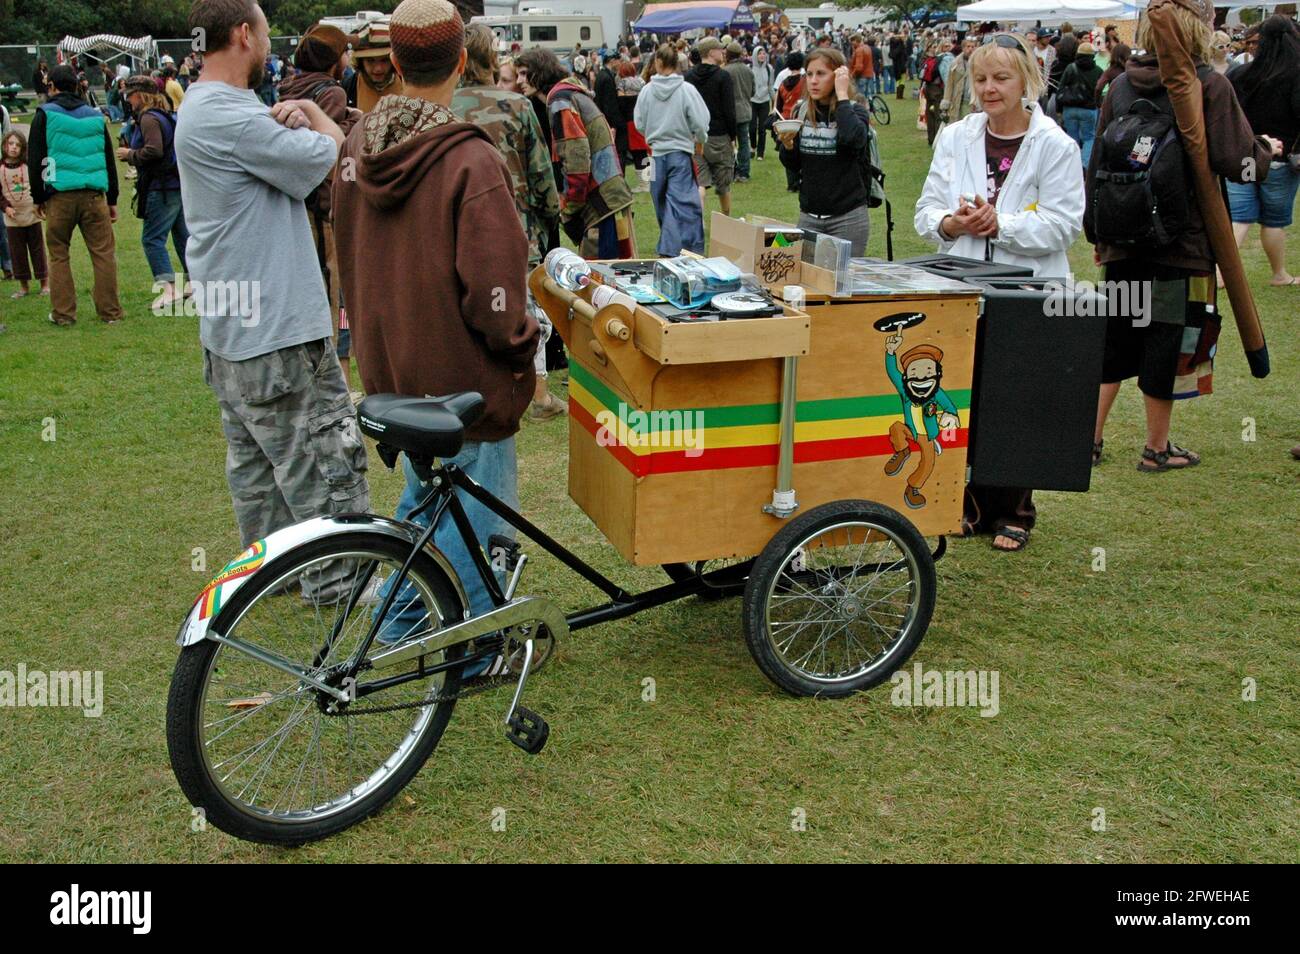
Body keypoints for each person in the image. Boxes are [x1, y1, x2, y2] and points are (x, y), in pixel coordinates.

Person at [332, 0, 539, 650]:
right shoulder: (469, 162)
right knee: (477, 518)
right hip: (463, 383)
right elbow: (497, 297)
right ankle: (477, 648)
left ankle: (395, 630)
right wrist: (523, 351)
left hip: (393, 369)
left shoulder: (354, 149)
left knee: (426, 502)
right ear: (463, 60)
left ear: (392, 62)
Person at [176, 0, 370, 556]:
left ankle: (269, 571)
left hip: (235, 328)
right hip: (276, 332)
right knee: (323, 460)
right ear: (243, 34)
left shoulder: (209, 104)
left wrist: (287, 119)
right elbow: (332, 155)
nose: (270, 46)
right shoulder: (230, 115)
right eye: (264, 34)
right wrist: (314, 117)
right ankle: (341, 582)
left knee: (258, 466)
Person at [1088, 2, 1276, 477]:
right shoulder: (1207, 84)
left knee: (1116, 338)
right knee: (1163, 341)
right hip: (1183, 243)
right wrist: (1266, 155)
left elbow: (1097, 165)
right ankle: (1156, 448)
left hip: (1124, 239)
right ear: (1199, 24)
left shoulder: (1120, 83)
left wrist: (1099, 232)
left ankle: (1087, 439)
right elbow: (1239, 161)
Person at [916, 32, 1084, 552]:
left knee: (1016, 395)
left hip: (1028, 290)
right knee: (964, 393)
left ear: (1027, 80)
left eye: (1001, 78)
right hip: (962, 283)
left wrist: (1000, 226)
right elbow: (927, 211)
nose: (990, 89)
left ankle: (1014, 509)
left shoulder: (1055, 145)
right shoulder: (956, 136)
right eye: (981, 78)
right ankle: (963, 501)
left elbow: (1063, 227)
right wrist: (951, 222)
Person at [451, 23, 562, 421]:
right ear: (491, 57)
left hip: (454, 230)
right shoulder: (516, 106)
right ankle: (541, 396)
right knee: (526, 312)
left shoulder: (441, 106)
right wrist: (552, 217)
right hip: (514, 228)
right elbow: (541, 176)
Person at [278, 24, 363, 378]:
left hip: (297, 208)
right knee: (339, 296)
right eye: (345, 51)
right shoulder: (332, 92)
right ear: (333, 60)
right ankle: (339, 377)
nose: (349, 58)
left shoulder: (288, 88)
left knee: (309, 290)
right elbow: (331, 151)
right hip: (328, 211)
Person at [27, 64, 123, 326]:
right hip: (94, 195)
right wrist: (112, 198)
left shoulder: (44, 114)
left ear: (52, 87)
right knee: (103, 253)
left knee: (59, 254)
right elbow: (107, 158)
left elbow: (38, 158)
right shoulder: (94, 116)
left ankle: (64, 314)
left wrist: (39, 195)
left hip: (60, 195)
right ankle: (110, 312)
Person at [518, 47, 635, 259]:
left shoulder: (560, 101)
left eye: (524, 73)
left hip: (600, 205)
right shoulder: (568, 93)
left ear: (540, 71)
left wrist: (569, 210)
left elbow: (577, 162)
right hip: (610, 200)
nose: (519, 80)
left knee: (600, 283)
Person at [1224, 14, 1300, 288]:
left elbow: (1228, 115)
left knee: (1239, 218)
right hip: (1280, 158)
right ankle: (1279, 273)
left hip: (1246, 154)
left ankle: (1222, 275)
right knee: (1274, 221)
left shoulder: (1240, 74)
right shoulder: (1296, 75)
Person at [775, 47, 873, 256]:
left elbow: (854, 139)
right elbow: (794, 165)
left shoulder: (855, 111)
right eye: (809, 74)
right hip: (809, 217)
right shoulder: (801, 112)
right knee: (806, 283)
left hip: (848, 217)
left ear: (838, 75)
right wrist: (789, 146)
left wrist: (842, 95)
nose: (813, 81)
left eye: (821, 74)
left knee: (841, 284)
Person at [115, 75, 189, 308]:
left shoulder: (148, 119)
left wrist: (130, 155)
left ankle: (168, 288)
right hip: (176, 185)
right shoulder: (164, 115)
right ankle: (195, 281)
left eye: (130, 95)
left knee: (152, 239)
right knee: (182, 236)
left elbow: (154, 150)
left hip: (161, 187)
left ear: (139, 95)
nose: (129, 101)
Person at [635, 43, 710, 257]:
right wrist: (699, 139)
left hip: (656, 155)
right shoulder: (686, 90)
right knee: (682, 205)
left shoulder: (647, 91)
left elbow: (639, 121)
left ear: (657, 62)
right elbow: (700, 120)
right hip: (679, 152)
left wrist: (653, 133)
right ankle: (681, 250)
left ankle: (673, 248)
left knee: (662, 202)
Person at [686, 38, 738, 217]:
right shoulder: (723, 77)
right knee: (723, 184)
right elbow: (729, 110)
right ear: (710, 52)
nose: (723, 51)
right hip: (719, 135)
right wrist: (733, 136)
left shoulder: (688, 76)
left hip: (695, 136)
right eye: (719, 49)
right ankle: (726, 218)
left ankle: (698, 221)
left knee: (700, 182)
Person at [2, 131, 49, 298]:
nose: (14, 148)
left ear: (23, 148)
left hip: (31, 214)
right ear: (4, 146)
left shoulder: (29, 165)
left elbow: (38, 184)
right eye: (11, 144)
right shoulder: (0, 168)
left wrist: (41, 203)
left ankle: (44, 283)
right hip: (12, 219)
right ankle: (24, 286)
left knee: (37, 250)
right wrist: (5, 207)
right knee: (17, 253)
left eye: (18, 145)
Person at [1058, 41, 1104, 168]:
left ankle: (1072, 166)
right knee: (1089, 138)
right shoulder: (1098, 71)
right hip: (1089, 109)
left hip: (1070, 109)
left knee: (1071, 139)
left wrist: (1059, 110)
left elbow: (1060, 89)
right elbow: (1100, 90)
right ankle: (1084, 166)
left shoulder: (1070, 68)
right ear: (1092, 55)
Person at [351, 18, 404, 112]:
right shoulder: (350, 85)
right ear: (361, 62)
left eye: (384, 60)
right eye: (370, 61)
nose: (378, 69)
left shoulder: (406, 82)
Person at [724, 41, 754, 183]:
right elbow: (753, 91)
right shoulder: (748, 70)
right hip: (745, 111)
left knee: (729, 143)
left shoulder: (725, 71)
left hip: (729, 113)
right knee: (744, 144)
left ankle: (731, 170)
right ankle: (744, 172)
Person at [941, 35, 978, 125]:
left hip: (973, 102)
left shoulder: (979, 63)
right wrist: (946, 104)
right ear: (963, 48)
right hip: (958, 102)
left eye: (973, 47)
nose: (970, 49)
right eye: (968, 46)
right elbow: (949, 85)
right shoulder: (955, 64)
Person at [749, 44, 773, 161]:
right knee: (752, 127)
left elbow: (770, 86)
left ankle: (760, 152)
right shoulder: (749, 68)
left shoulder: (769, 68)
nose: (762, 56)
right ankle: (753, 146)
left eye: (764, 53)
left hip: (764, 101)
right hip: (752, 101)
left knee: (762, 129)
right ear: (755, 55)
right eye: (759, 53)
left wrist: (774, 101)